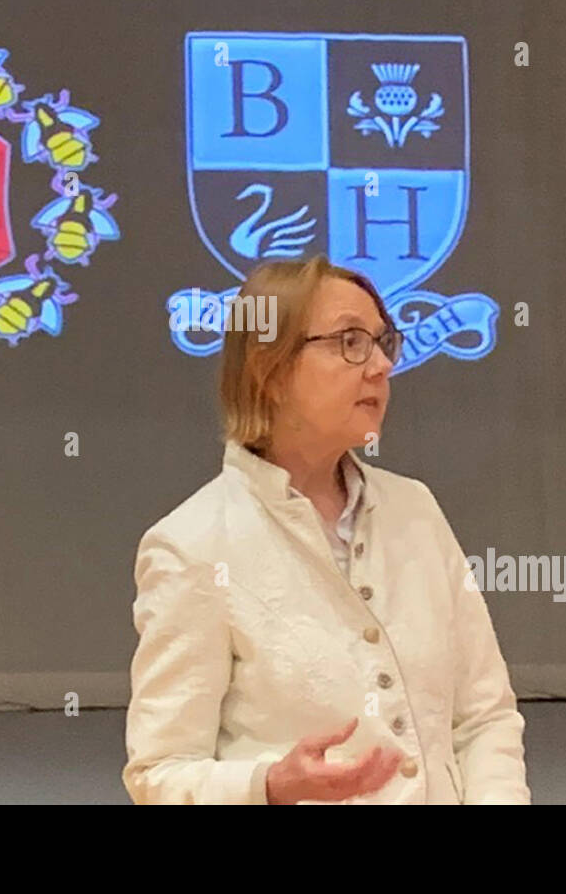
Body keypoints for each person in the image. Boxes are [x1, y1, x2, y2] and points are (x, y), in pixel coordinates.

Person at [122, 254, 531, 804]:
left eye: (383, 342)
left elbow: (484, 717)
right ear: (269, 370)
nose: (381, 367)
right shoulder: (192, 545)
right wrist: (268, 786)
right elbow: (159, 774)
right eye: (349, 341)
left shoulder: (415, 510)